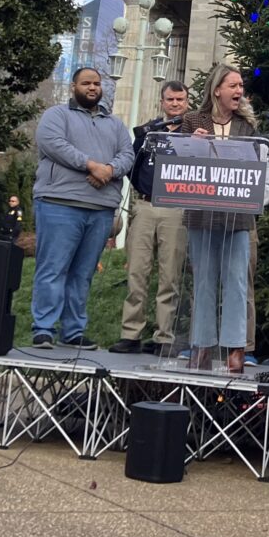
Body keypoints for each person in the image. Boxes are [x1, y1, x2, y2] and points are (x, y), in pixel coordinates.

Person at [30, 67, 133, 351]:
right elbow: (52, 144)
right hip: (59, 203)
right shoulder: (56, 115)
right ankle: (44, 329)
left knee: (83, 273)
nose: (92, 87)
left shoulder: (115, 124)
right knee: (53, 268)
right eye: (86, 83)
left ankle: (73, 331)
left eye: (97, 83)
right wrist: (91, 165)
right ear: (74, 86)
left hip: (100, 209)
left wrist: (109, 170)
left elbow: (127, 154)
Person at [179, 65, 263, 372]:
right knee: (203, 282)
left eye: (241, 85)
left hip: (237, 218)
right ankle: (201, 347)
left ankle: (234, 350)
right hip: (202, 216)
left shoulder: (247, 125)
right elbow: (177, 163)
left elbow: (258, 166)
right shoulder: (192, 121)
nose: (239, 91)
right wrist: (193, 147)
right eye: (233, 85)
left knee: (237, 284)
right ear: (217, 90)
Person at [111, 81, 190, 356]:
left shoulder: (194, 132)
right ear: (162, 102)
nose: (175, 104)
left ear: (187, 102)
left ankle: (164, 336)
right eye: (170, 99)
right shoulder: (148, 131)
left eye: (180, 99)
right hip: (144, 205)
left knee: (170, 275)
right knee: (137, 271)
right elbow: (131, 164)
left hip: (176, 208)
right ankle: (130, 333)